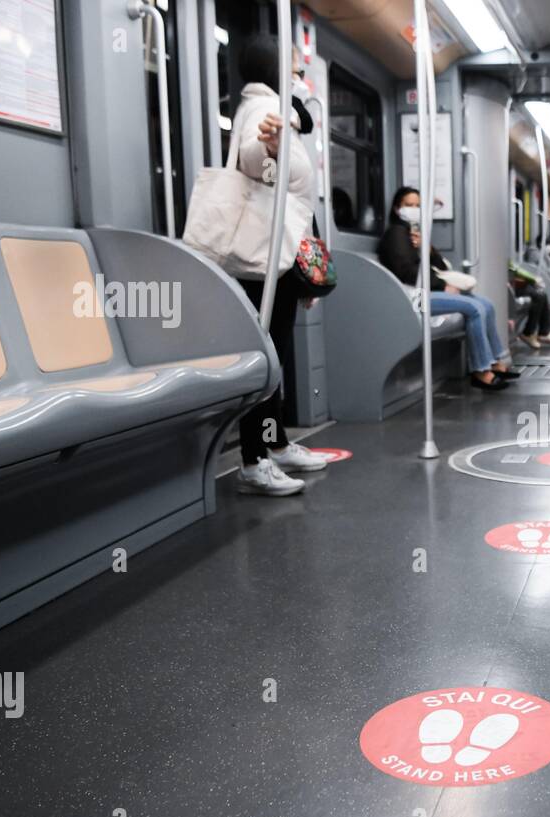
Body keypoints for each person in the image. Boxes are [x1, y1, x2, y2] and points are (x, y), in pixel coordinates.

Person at [230, 36, 329, 496]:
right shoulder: (262, 109)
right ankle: (253, 460)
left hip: (280, 254)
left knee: (279, 359)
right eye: (291, 64)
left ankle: (275, 443)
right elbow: (251, 161)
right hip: (264, 260)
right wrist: (267, 146)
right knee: (268, 361)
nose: (297, 72)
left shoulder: (280, 104)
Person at [378, 187, 519, 391]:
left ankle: (497, 361)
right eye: (409, 205)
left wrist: (426, 248)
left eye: (418, 205)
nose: (414, 209)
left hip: (424, 290)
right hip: (412, 295)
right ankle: (480, 370)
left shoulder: (413, 233)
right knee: (475, 308)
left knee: (485, 304)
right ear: (397, 208)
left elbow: (440, 266)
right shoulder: (396, 234)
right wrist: (443, 285)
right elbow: (407, 272)